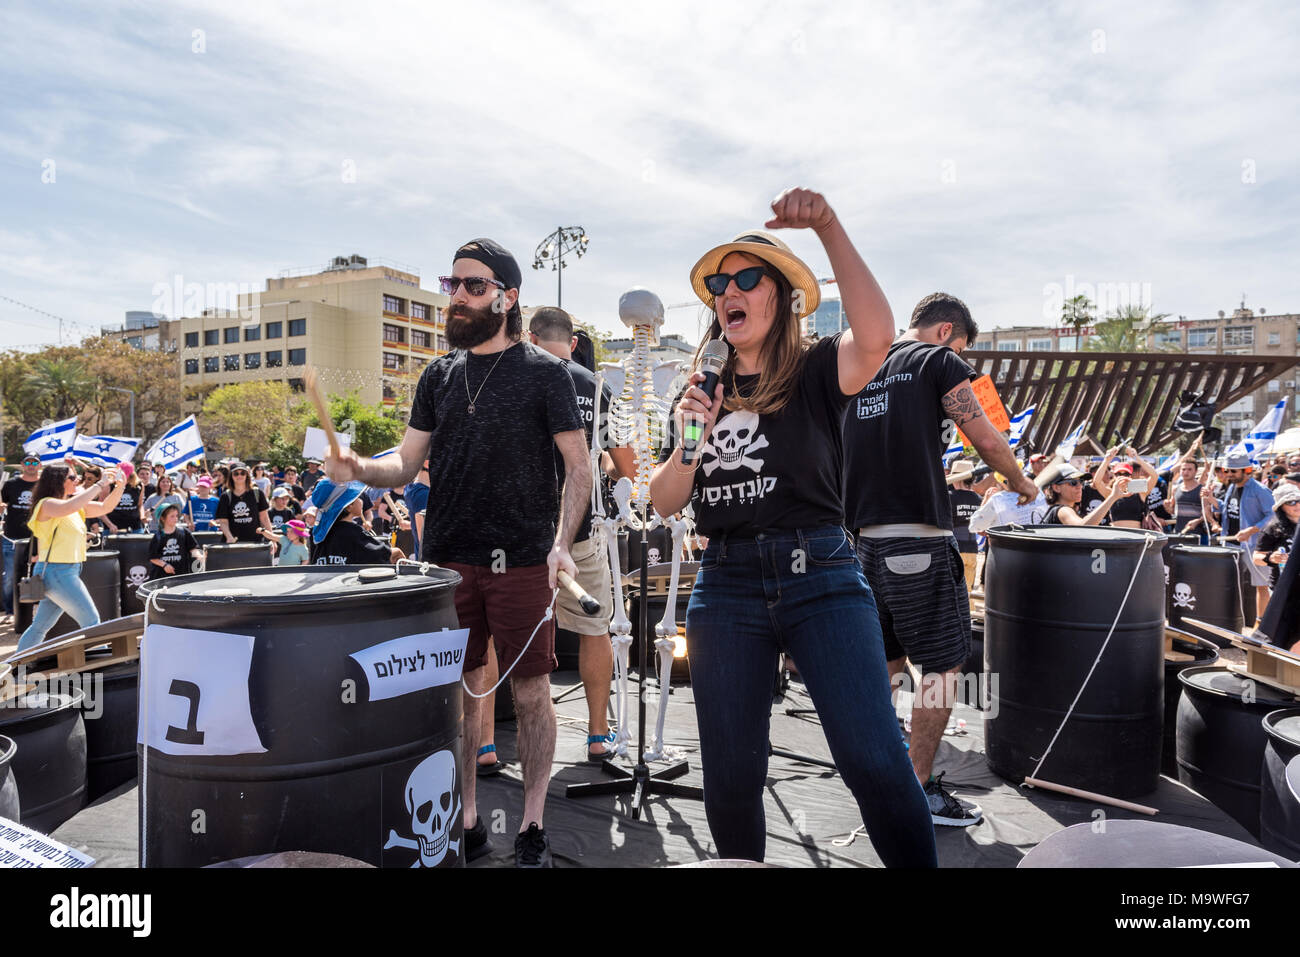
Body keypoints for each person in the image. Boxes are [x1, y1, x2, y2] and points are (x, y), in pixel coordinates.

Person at [650, 189, 937, 865]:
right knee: (729, 774)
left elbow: (876, 335)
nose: (729, 292)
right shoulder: (699, 389)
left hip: (822, 576)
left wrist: (829, 226)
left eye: (747, 277)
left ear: (782, 296)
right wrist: (692, 437)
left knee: (872, 758)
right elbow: (665, 499)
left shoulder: (814, 368)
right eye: (720, 284)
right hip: (725, 584)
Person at [321, 237, 590, 868]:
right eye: (454, 285)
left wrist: (560, 545)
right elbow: (406, 464)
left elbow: (579, 469)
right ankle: (466, 817)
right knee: (469, 692)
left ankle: (531, 824)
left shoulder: (547, 375)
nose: (459, 297)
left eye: (473, 286)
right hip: (448, 563)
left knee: (529, 692)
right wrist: (357, 466)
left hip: (524, 559)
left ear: (507, 296)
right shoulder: (438, 375)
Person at [842, 290, 1036, 829]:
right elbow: (985, 440)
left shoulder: (858, 364)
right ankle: (917, 788)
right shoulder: (937, 360)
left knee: (886, 660)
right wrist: (1022, 483)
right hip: (917, 541)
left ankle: (881, 777)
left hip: (862, 541)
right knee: (945, 668)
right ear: (946, 330)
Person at [528, 305, 638, 761]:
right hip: (579, 532)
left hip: (521, 532)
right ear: (573, 344)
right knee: (597, 630)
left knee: (501, 632)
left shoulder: (515, 376)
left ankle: (487, 746)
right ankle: (596, 734)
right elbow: (627, 464)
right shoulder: (596, 387)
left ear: (531, 339)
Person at [16, 463, 126, 652]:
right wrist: (100, 485)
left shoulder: (74, 505)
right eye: (73, 478)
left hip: (63, 572)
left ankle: (16, 666)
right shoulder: (47, 504)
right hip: (58, 572)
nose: (79, 481)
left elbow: (105, 506)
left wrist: (120, 485)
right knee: (92, 621)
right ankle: (101, 669)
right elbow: (69, 506)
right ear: (59, 481)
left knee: (40, 627)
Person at [1204, 449, 1274, 629]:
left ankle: (1261, 626)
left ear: (1247, 470)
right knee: (1230, 584)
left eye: (1233, 471)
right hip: (1230, 543)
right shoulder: (1232, 487)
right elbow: (1228, 509)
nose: (1229, 474)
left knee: (1261, 585)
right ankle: (1231, 622)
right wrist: (1211, 500)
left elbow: (1273, 515)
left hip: (1253, 545)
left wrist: (1252, 530)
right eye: (1227, 471)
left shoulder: (1260, 490)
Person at [306, 479, 400, 565]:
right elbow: (380, 555)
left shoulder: (317, 533)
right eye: (358, 497)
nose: (361, 500)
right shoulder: (353, 532)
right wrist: (396, 552)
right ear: (349, 506)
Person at [1, 453, 42, 620]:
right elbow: (2, 504)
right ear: (22, 464)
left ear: (39, 465)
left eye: (34, 462)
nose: (31, 465)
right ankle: (11, 610)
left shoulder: (44, 484)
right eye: (28, 462)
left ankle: (34, 612)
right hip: (13, 538)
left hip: (37, 538)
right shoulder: (11, 484)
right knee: (11, 577)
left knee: (38, 575)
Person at [1091, 447, 1159, 529]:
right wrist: (1106, 460)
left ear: (1130, 476)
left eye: (1126, 474)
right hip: (1116, 536)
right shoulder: (1111, 494)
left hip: (1136, 536)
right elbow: (1097, 482)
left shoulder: (1140, 492)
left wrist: (1137, 457)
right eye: (1118, 474)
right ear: (1114, 476)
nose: (1122, 477)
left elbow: (1154, 476)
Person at [1041, 465, 1128, 525]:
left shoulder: (1066, 509)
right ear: (1056, 488)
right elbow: (1083, 527)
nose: (1079, 486)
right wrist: (1112, 497)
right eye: (1073, 482)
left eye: (1081, 482)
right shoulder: (1063, 510)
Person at [1254, 484, 1300, 594]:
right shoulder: (1272, 528)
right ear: (1281, 506)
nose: (1297, 505)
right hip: (1283, 590)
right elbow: (1256, 558)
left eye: (1299, 500)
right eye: (1291, 502)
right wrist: (1271, 558)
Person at [215, 462, 273, 543]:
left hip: (256, 542)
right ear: (231, 476)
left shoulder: (257, 493)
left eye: (242, 473)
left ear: (247, 475)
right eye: (236, 473)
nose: (239, 476)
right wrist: (229, 537)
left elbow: (265, 518)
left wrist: (272, 539)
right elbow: (223, 521)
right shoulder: (225, 496)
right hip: (233, 543)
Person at [947, 460, 982, 589]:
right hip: (972, 549)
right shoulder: (978, 499)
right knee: (966, 590)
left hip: (954, 549)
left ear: (957, 479)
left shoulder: (949, 497)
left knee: (953, 590)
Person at [148, 503, 202, 579]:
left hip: (182, 576)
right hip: (161, 578)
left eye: (176, 515)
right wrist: (165, 565)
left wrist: (198, 555)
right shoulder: (158, 536)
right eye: (172, 516)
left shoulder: (184, 532)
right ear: (162, 519)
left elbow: (193, 548)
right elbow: (153, 558)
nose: (176, 518)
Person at [103, 464, 146, 534]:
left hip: (135, 526)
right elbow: (101, 507)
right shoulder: (109, 485)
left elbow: (140, 505)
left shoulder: (139, 485)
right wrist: (110, 524)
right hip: (113, 525)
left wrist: (142, 516)